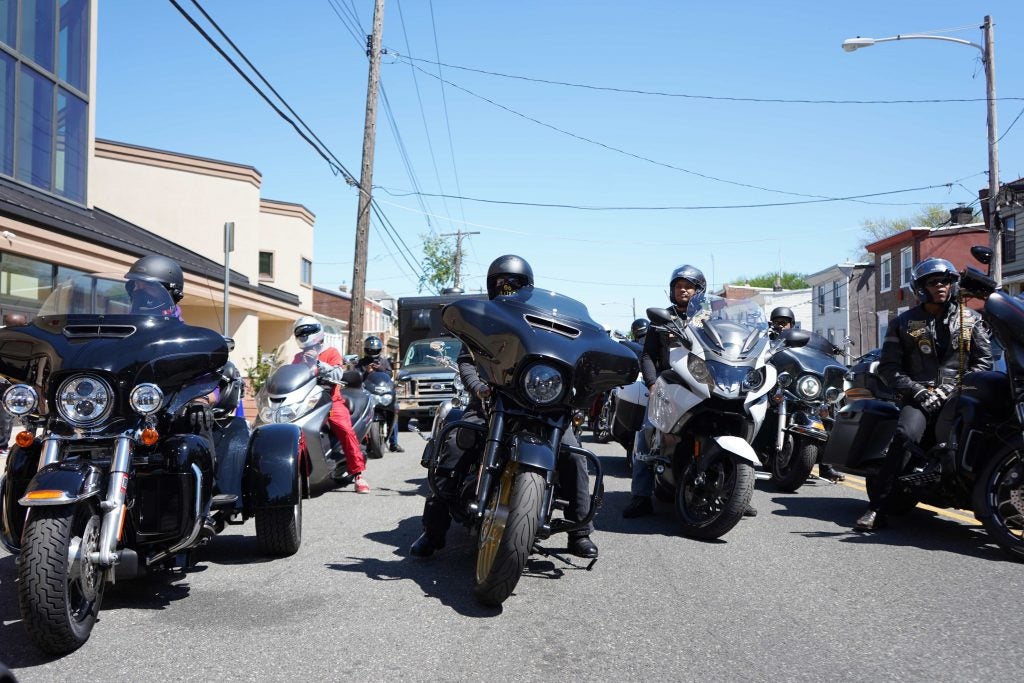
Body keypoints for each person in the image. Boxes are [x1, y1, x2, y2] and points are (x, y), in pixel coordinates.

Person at [410, 254, 599, 559]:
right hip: (490, 402)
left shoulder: (545, 322)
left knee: (574, 454)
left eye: (516, 284)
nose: (508, 289)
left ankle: (579, 532)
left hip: (541, 408)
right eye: (502, 284)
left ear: (529, 288)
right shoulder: (485, 322)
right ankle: (433, 531)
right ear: (492, 287)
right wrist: (479, 388)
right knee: (456, 444)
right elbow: (467, 361)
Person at [854, 258, 992, 531]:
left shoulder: (971, 320)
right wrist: (917, 391)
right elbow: (889, 367)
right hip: (919, 395)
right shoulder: (904, 323)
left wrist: (951, 387)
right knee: (905, 434)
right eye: (933, 282)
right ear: (921, 287)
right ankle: (877, 507)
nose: (941, 286)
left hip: (960, 394)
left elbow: (983, 362)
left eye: (946, 281)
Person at [292, 316, 370, 494]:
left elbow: (337, 375)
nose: (305, 336)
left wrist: (317, 363)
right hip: (305, 402)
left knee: (345, 430)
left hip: (330, 401)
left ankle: (358, 474)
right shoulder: (297, 357)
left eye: (308, 332)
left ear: (317, 333)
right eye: (301, 333)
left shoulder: (331, 352)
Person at [769, 306, 845, 483]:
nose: (781, 326)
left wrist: (832, 349)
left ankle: (826, 467)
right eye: (777, 323)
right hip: (777, 387)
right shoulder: (769, 339)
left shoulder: (799, 340)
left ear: (792, 324)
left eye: (784, 323)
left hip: (799, 389)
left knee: (828, 415)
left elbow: (812, 353)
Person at [357, 335, 403, 453]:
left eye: (375, 350)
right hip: (367, 394)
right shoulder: (361, 363)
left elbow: (390, 375)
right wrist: (366, 371)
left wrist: (380, 369)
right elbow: (356, 376)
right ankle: (359, 442)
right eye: (370, 350)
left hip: (382, 393)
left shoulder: (384, 362)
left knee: (394, 410)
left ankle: (394, 443)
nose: (372, 352)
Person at [125, 254, 185, 319]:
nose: (138, 291)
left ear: (172, 295)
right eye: (137, 285)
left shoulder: (177, 328)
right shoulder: (126, 325)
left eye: (149, 286)